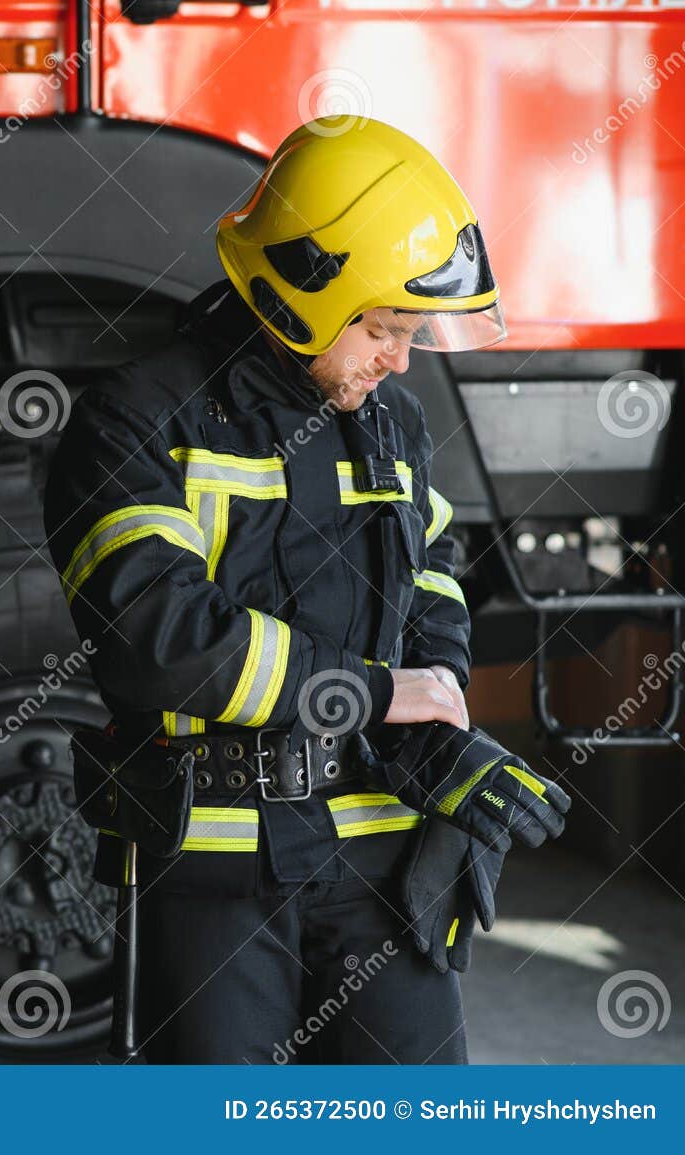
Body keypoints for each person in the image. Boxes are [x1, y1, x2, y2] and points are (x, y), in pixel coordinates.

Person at [46, 117, 565, 1063]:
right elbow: (153, 632)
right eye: (382, 328)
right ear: (300, 291)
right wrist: (370, 694)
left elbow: (435, 583)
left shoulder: (391, 421)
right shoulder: (137, 420)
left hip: (383, 861)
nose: (399, 358)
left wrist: (432, 731)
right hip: (212, 868)